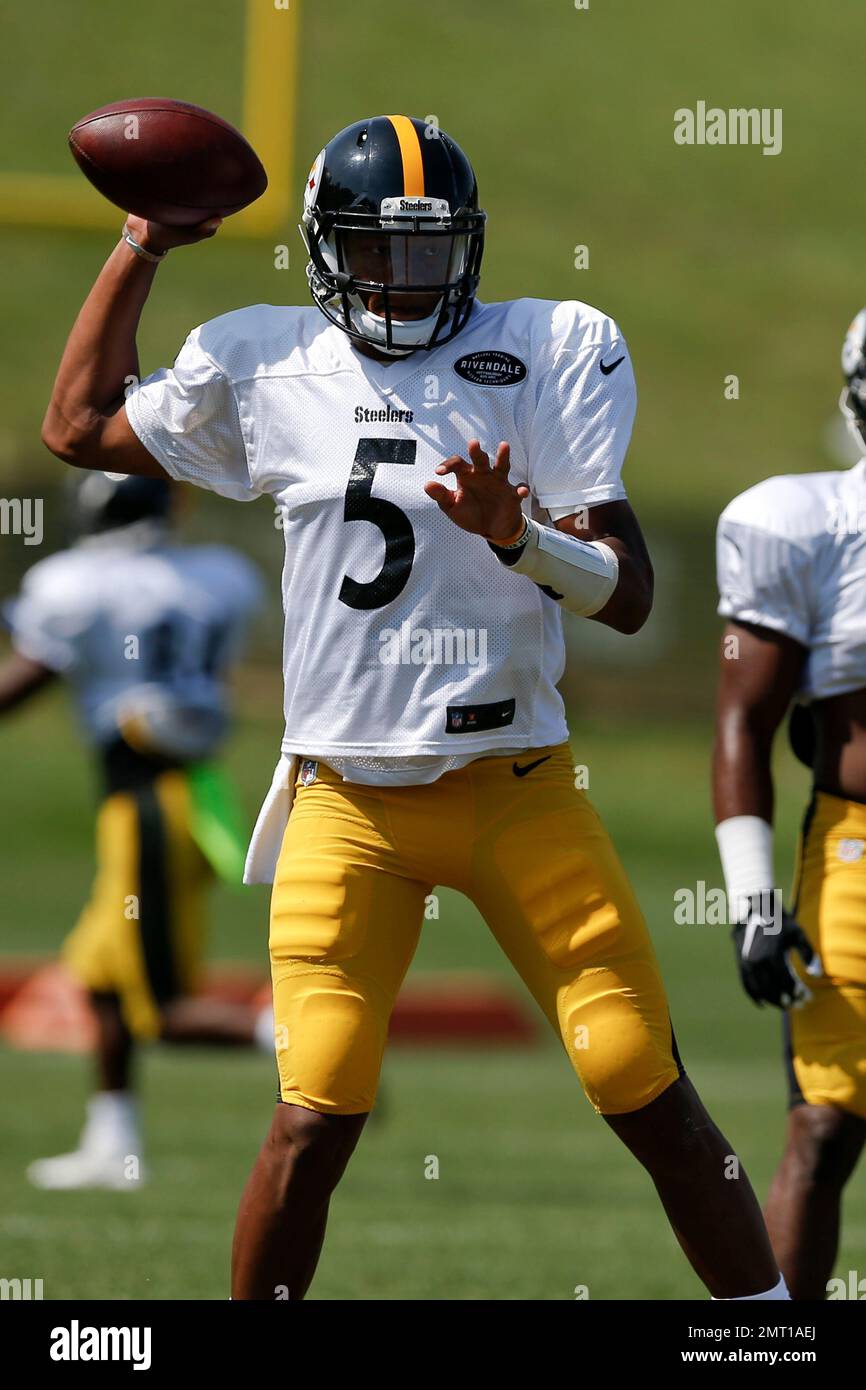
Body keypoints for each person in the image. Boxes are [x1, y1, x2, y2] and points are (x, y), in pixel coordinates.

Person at [41, 113, 784, 1298]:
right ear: (327, 252)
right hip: (347, 800)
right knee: (312, 1111)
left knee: (641, 1080)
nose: (405, 275)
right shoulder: (262, 357)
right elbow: (75, 426)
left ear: (471, 246)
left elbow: (631, 597)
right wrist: (141, 242)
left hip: (518, 789)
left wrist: (520, 538)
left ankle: (770, 1325)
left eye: (429, 247)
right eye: (377, 250)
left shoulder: (548, 347)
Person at [1, 473, 269, 1190]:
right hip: (196, 791)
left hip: (146, 804)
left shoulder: (77, 585)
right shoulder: (219, 576)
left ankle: (305, 1042)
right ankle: (112, 1147)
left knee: (162, 1006)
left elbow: (26, 678)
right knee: (100, 981)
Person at [713, 308, 866, 1299]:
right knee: (820, 1122)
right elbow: (744, 720)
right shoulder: (804, 525)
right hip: (853, 849)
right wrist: (751, 899)